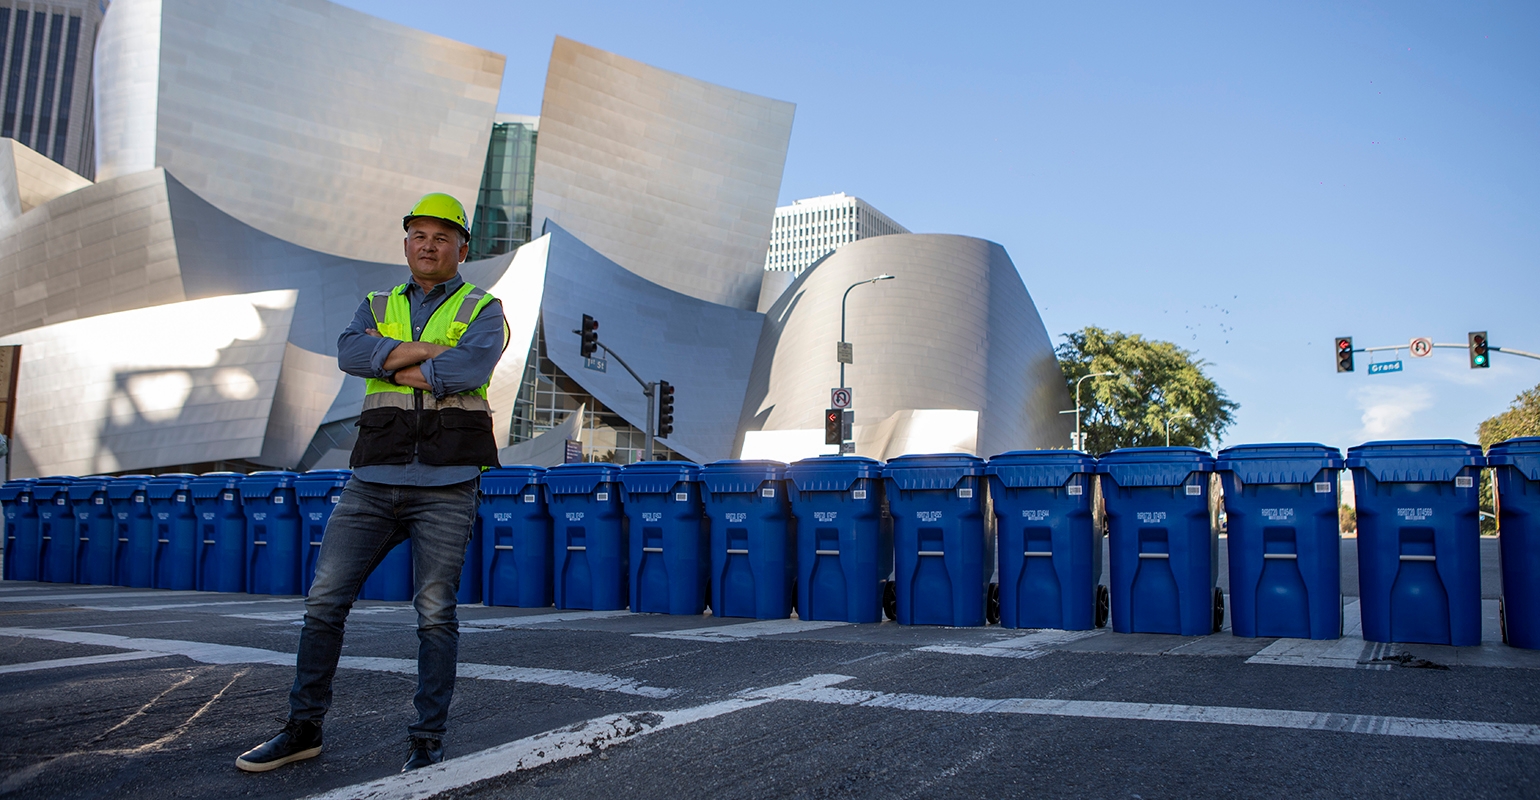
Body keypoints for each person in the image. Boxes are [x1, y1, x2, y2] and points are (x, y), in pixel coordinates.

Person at [236, 193, 507, 774]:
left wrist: (390, 360)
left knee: (435, 613)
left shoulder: (484, 307)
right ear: (406, 242)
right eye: (418, 235)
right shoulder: (377, 301)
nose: (428, 245)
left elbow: (468, 369)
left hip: (448, 481)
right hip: (372, 480)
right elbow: (348, 353)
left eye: (441, 237)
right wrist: (429, 357)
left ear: (463, 247)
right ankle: (302, 728)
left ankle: (427, 739)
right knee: (324, 601)